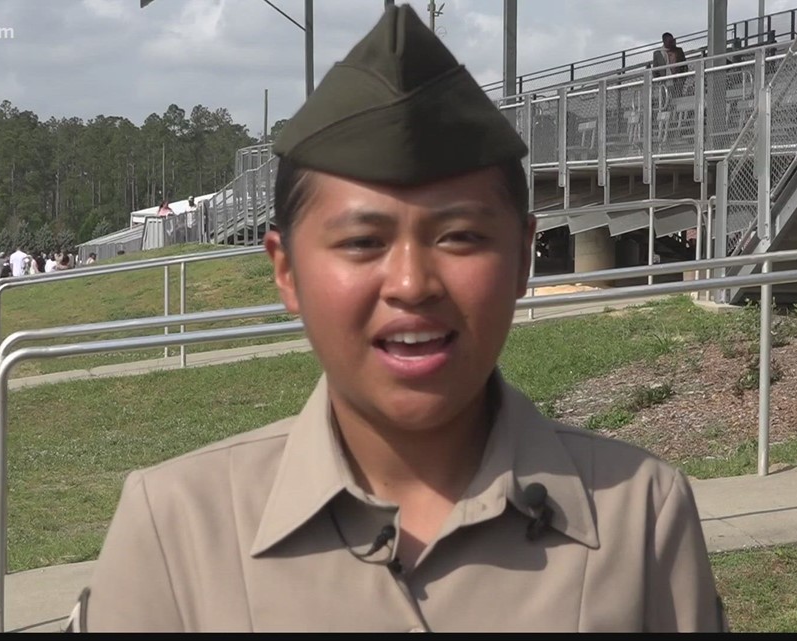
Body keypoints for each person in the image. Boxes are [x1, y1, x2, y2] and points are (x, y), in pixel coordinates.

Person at [65, 4, 726, 633]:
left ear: (524, 256)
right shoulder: (177, 531)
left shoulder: (640, 516)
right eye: (362, 242)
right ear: (286, 269)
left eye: (461, 236)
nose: (412, 284)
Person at [652, 32, 688, 105]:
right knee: (665, 101)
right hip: (664, 82)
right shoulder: (658, 53)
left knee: (678, 99)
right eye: (669, 42)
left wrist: (682, 79)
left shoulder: (678, 50)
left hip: (677, 80)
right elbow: (655, 69)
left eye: (672, 41)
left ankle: (677, 115)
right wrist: (659, 81)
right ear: (664, 41)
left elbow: (685, 66)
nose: (671, 43)